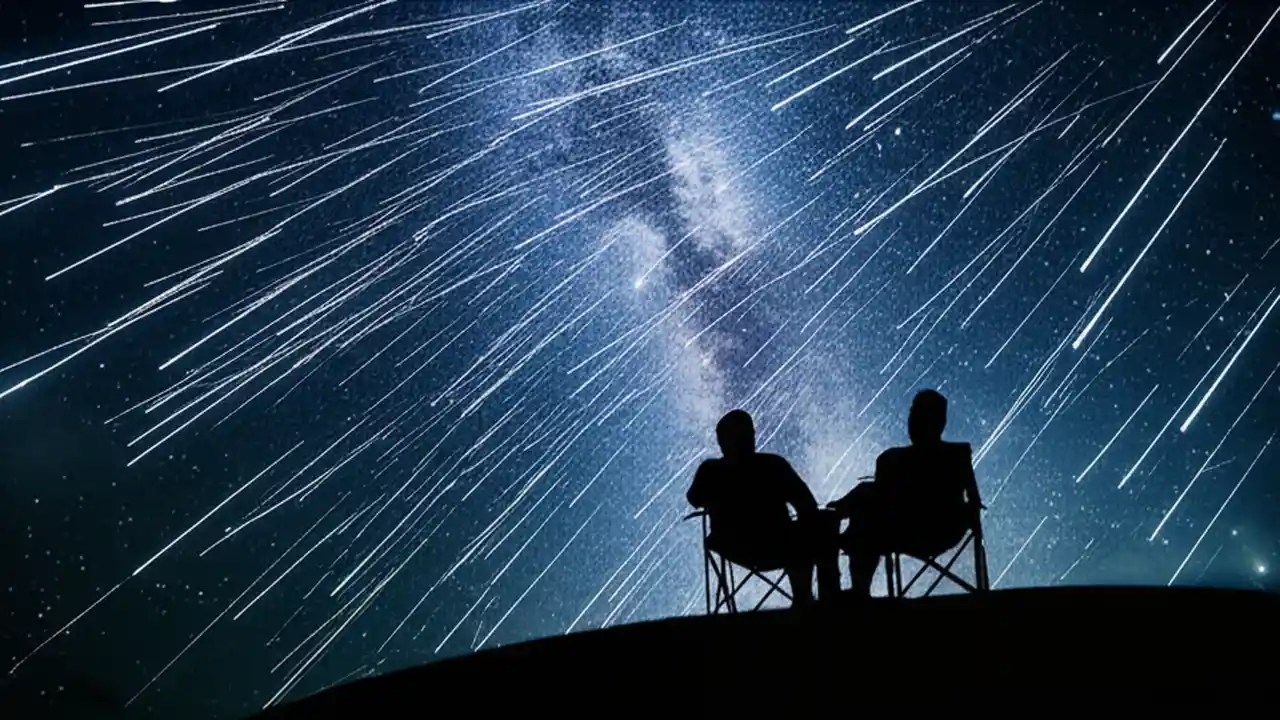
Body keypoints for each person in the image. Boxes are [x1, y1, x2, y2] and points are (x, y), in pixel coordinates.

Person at [827, 390, 982, 596]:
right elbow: (974, 501)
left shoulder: (953, 456)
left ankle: (854, 584)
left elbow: (973, 500)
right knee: (866, 508)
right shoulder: (893, 458)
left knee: (864, 504)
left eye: (918, 414)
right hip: (913, 528)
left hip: (930, 527)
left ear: (938, 422)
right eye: (913, 414)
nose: (913, 421)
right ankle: (840, 545)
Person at [687, 410, 840, 606]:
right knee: (819, 526)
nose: (749, 438)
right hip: (768, 541)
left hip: (738, 543)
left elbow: (694, 499)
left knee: (808, 531)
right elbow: (806, 504)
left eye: (749, 433)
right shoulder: (771, 465)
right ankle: (819, 598)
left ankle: (814, 599)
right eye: (744, 434)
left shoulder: (711, 470)